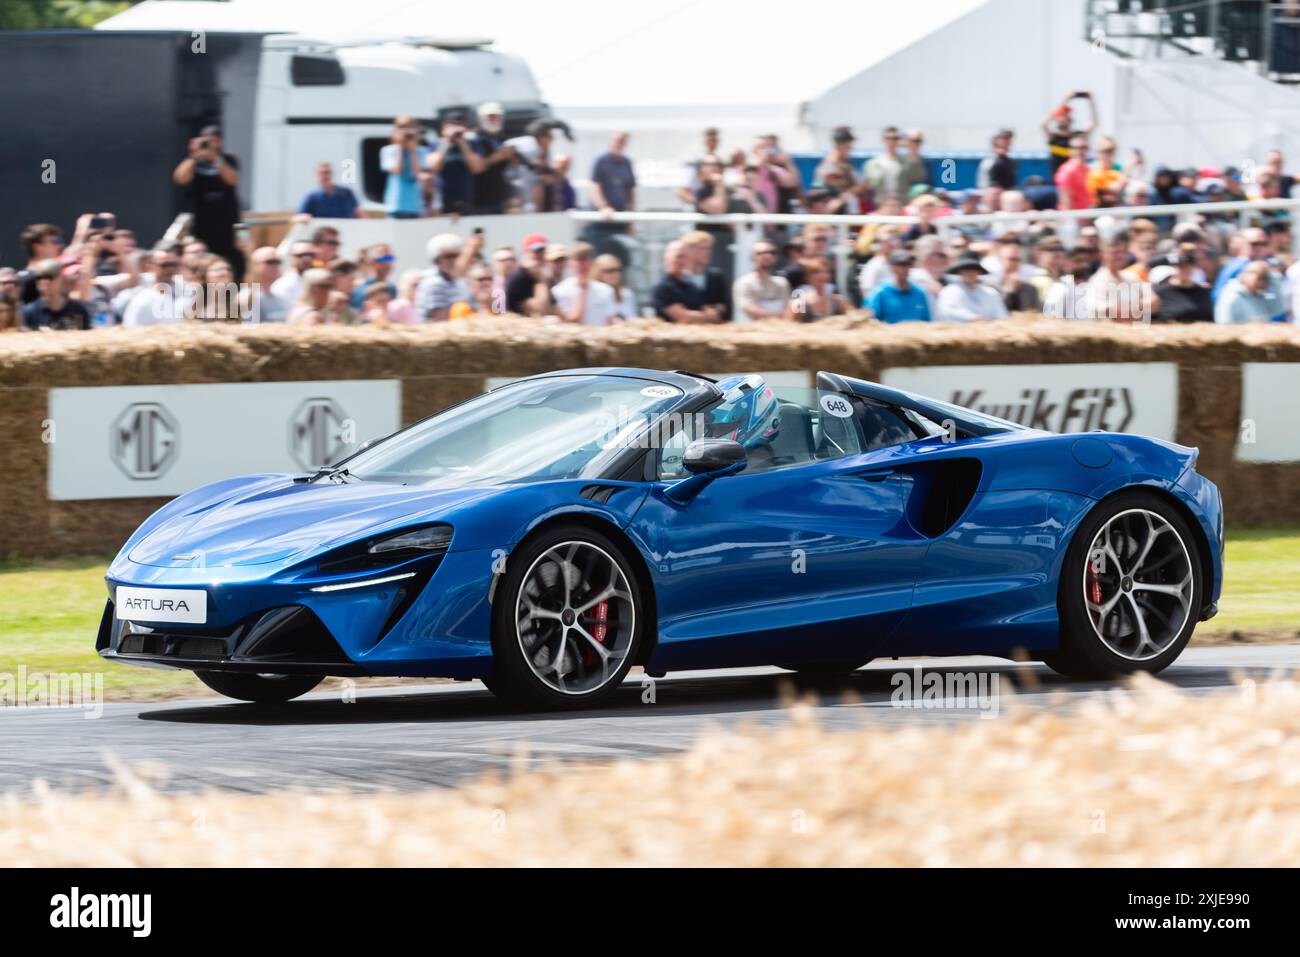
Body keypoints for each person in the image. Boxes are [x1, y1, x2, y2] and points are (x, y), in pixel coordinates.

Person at [172, 125, 243, 277]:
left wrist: (214, 158)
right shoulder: (193, 162)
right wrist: (194, 155)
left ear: (220, 142)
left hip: (227, 224)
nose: (209, 144)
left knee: (230, 263)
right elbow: (180, 178)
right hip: (201, 223)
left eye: (213, 141)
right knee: (201, 262)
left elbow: (232, 179)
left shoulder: (228, 160)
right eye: (205, 141)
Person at [653, 241, 724, 323]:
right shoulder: (663, 287)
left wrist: (710, 314)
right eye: (679, 256)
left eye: (686, 257)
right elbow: (683, 317)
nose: (682, 261)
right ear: (666, 258)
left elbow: (709, 309)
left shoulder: (690, 285)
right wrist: (707, 316)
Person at [551, 242, 619, 326]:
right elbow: (573, 320)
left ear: (592, 262)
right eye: (579, 259)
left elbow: (612, 320)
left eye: (587, 259)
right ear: (571, 264)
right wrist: (583, 289)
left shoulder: (606, 290)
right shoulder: (559, 290)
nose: (583, 264)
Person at [415, 233, 478, 321]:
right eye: (449, 257)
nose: (454, 260)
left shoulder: (460, 281)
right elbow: (440, 318)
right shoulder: (433, 283)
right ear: (437, 259)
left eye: (457, 256)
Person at [469, 102, 516, 215]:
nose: (494, 120)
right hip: (478, 199)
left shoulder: (502, 140)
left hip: (500, 199)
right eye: (490, 117)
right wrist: (499, 156)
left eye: (497, 117)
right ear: (481, 119)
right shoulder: (474, 140)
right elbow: (476, 167)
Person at [379, 115, 431, 218]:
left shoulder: (421, 151)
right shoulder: (388, 150)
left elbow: (417, 174)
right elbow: (397, 170)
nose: (406, 131)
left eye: (410, 127)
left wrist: (412, 150)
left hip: (415, 205)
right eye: (402, 127)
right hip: (395, 204)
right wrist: (401, 148)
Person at [123, 249, 189, 327]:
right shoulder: (142, 300)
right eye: (164, 265)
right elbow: (131, 328)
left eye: (173, 264)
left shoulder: (186, 291)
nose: (170, 269)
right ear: (151, 267)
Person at [934, 254, 1008, 323]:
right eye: (965, 269)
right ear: (959, 272)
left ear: (979, 272)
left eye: (973, 269)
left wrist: (989, 322)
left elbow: (1001, 315)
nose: (969, 272)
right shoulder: (949, 291)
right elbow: (947, 312)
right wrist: (975, 319)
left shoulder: (991, 293)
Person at [732, 240, 791, 323]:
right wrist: (781, 315)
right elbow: (753, 312)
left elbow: (789, 309)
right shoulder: (744, 283)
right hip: (753, 332)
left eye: (772, 252)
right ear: (752, 256)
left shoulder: (782, 283)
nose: (767, 256)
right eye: (761, 253)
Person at [22, 260, 91, 330]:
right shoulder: (30, 311)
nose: (44, 283)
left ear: (60, 279)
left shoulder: (77, 310)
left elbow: (84, 336)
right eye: (39, 278)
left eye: (49, 277)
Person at [868, 250, 931, 323]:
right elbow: (871, 320)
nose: (906, 268)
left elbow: (926, 321)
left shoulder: (919, 293)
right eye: (902, 265)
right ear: (892, 268)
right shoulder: (880, 292)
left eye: (909, 264)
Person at [680, 231, 732, 320]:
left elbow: (726, 308)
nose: (708, 252)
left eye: (709, 249)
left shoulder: (716, 277)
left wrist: (716, 311)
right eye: (702, 249)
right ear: (688, 250)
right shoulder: (677, 279)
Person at [1152, 249, 1214, 323]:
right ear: (1174, 267)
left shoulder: (1204, 292)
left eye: (1188, 266)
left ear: (1194, 267)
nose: (1185, 270)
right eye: (1181, 267)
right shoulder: (1160, 293)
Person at [1216, 261, 1286, 324]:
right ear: (1244, 275)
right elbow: (1224, 323)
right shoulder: (1231, 296)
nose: (1259, 282)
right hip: (1239, 337)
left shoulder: (1261, 296)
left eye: (1263, 279)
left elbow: (1278, 309)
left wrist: (1271, 276)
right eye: (1258, 278)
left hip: (1259, 336)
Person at [1044, 92, 1097, 174]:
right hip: (1059, 180)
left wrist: (1091, 102)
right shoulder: (1054, 137)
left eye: (1066, 116)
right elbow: (1043, 124)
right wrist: (1065, 100)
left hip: (1077, 178)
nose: (1063, 118)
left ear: (1070, 119)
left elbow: (1094, 123)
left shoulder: (1077, 137)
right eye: (1061, 116)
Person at [787, 257, 848, 322]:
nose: (823, 275)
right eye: (816, 272)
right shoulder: (798, 304)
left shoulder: (838, 302)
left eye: (826, 272)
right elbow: (790, 326)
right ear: (808, 276)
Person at [288, 268, 356, 325]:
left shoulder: (298, 307)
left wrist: (337, 312)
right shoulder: (312, 316)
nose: (330, 290)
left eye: (331, 286)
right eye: (325, 286)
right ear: (313, 289)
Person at [1054, 134, 1093, 211]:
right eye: (1076, 148)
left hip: (1088, 215)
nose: (1080, 151)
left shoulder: (1088, 169)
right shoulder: (1066, 170)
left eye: (1084, 147)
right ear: (1070, 149)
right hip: (1075, 218)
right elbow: (1066, 202)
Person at [592, 254, 637, 319]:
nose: (615, 274)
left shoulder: (627, 294)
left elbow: (632, 318)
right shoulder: (592, 294)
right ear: (598, 272)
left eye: (617, 269)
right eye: (609, 271)